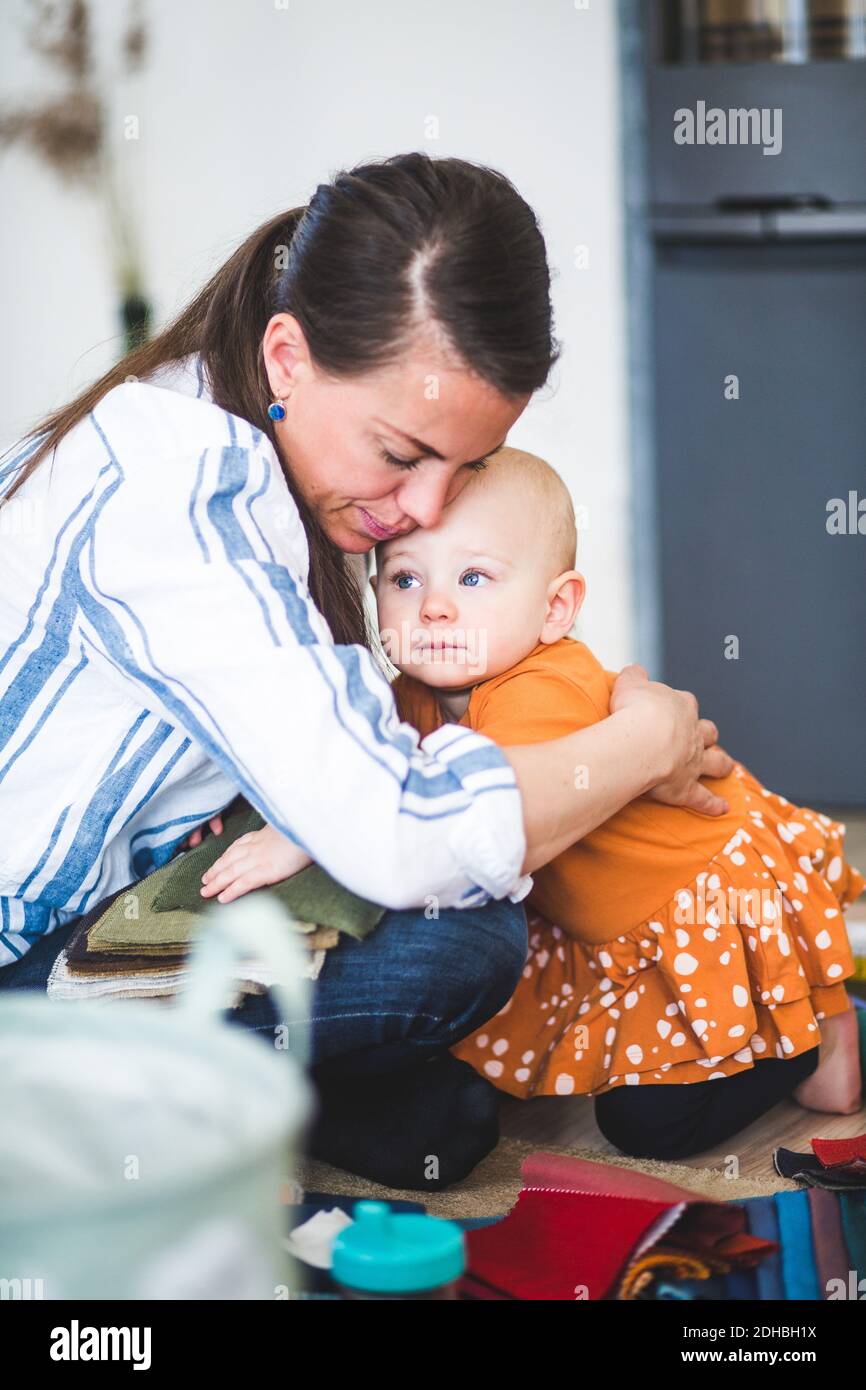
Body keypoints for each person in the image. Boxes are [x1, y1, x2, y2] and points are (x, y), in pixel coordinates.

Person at [0, 154, 729, 1188]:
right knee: (456, 938)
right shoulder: (177, 497)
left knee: (432, 927)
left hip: (102, 894)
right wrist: (641, 738)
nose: (423, 511)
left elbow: (349, 767)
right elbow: (398, 831)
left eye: (461, 467)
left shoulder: (236, 418)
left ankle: (253, 1093)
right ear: (288, 357)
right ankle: (132, 1103)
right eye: (398, 452)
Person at [207, 446, 865, 1159]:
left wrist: (313, 831)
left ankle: (812, 1033)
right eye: (404, 577)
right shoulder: (411, 695)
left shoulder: (542, 687)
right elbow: (348, 758)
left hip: (698, 908)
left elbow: (454, 794)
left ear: (556, 607)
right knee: (497, 1053)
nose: (433, 605)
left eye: (473, 576)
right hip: (603, 927)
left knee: (649, 1127)